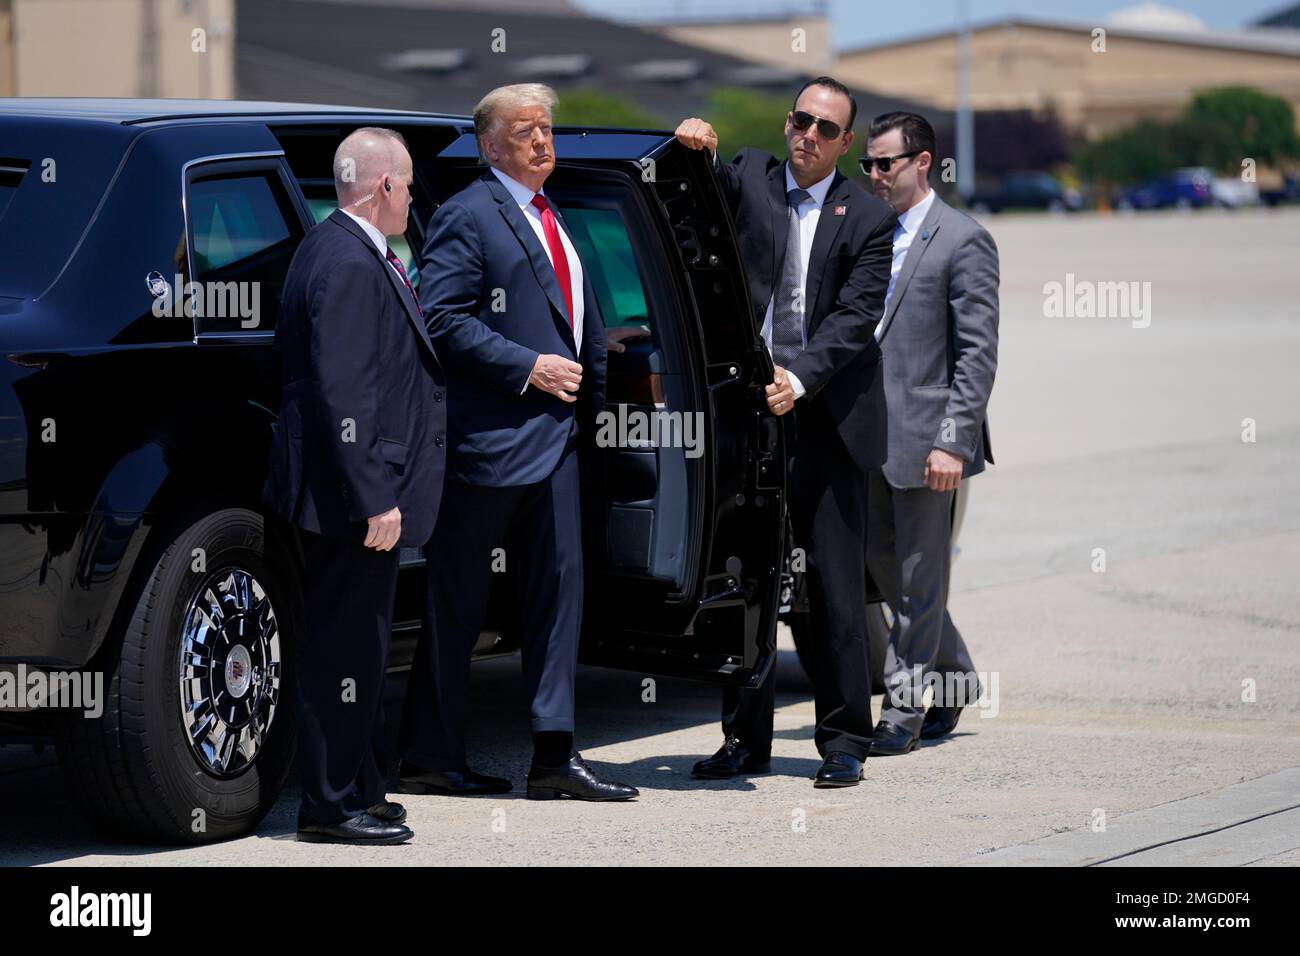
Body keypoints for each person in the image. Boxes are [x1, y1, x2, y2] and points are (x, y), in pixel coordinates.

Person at [397, 83, 637, 802]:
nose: (543, 141)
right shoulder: (470, 215)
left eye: (547, 128)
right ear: (490, 145)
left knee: (560, 600)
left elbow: (561, 311)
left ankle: (555, 761)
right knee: (458, 604)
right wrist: (526, 364)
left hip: (559, 443)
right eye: (527, 131)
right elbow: (439, 317)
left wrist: (596, 357)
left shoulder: (549, 214)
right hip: (489, 446)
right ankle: (429, 758)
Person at [675, 76, 897, 787]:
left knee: (832, 585)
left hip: (825, 418)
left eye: (825, 128)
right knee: (746, 583)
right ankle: (745, 741)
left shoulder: (866, 216)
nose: (808, 134)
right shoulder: (749, 177)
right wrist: (690, 145)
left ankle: (843, 742)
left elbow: (855, 320)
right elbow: (690, 208)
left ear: (845, 143)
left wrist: (797, 379)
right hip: (748, 417)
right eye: (801, 119)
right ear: (786, 122)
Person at [263, 127, 445, 844]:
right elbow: (344, 392)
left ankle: (361, 785)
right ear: (383, 188)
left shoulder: (342, 247)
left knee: (363, 648)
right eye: (405, 185)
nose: (409, 198)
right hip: (349, 498)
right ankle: (331, 805)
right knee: (343, 650)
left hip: (348, 490)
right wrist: (373, 493)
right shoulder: (345, 261)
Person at [860, 111, 998, 755]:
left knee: (918, 579)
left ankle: (903, 711)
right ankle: (958, 677)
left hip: (928, 441)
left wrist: (953, 440)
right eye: (868, 163)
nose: (874, 175)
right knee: (883, 570)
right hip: (870, 441)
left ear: (922, 162)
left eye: (884, 162)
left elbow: (977, 355)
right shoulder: (867, 233)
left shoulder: (963, 239)